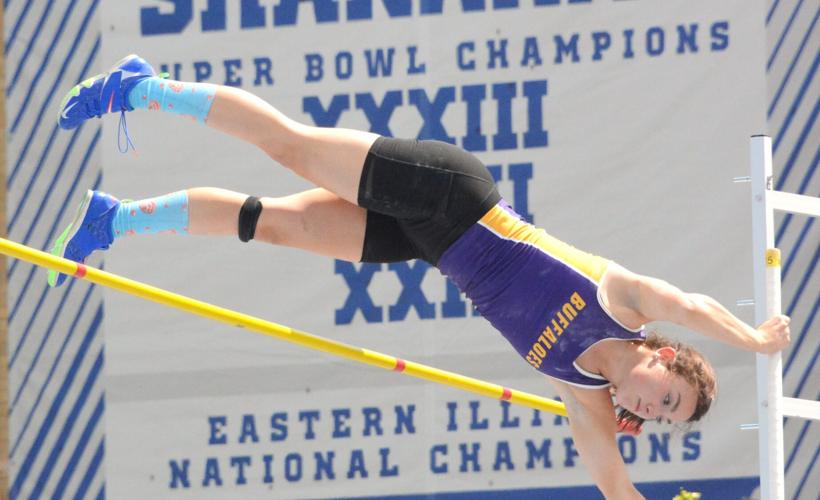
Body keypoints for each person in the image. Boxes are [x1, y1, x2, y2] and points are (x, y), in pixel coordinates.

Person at [49, 55, 790, 499]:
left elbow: (612, 486)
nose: (649, 408)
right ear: (662, 357)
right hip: (452, 196)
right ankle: (144, 89)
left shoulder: (586, 396)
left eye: (659, 417)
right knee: (293, 149)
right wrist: (754, 339)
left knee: (274, 224)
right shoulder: (625, 301)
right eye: (666, 396)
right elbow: (692, 305)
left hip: (430, 246)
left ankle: (115, 220)